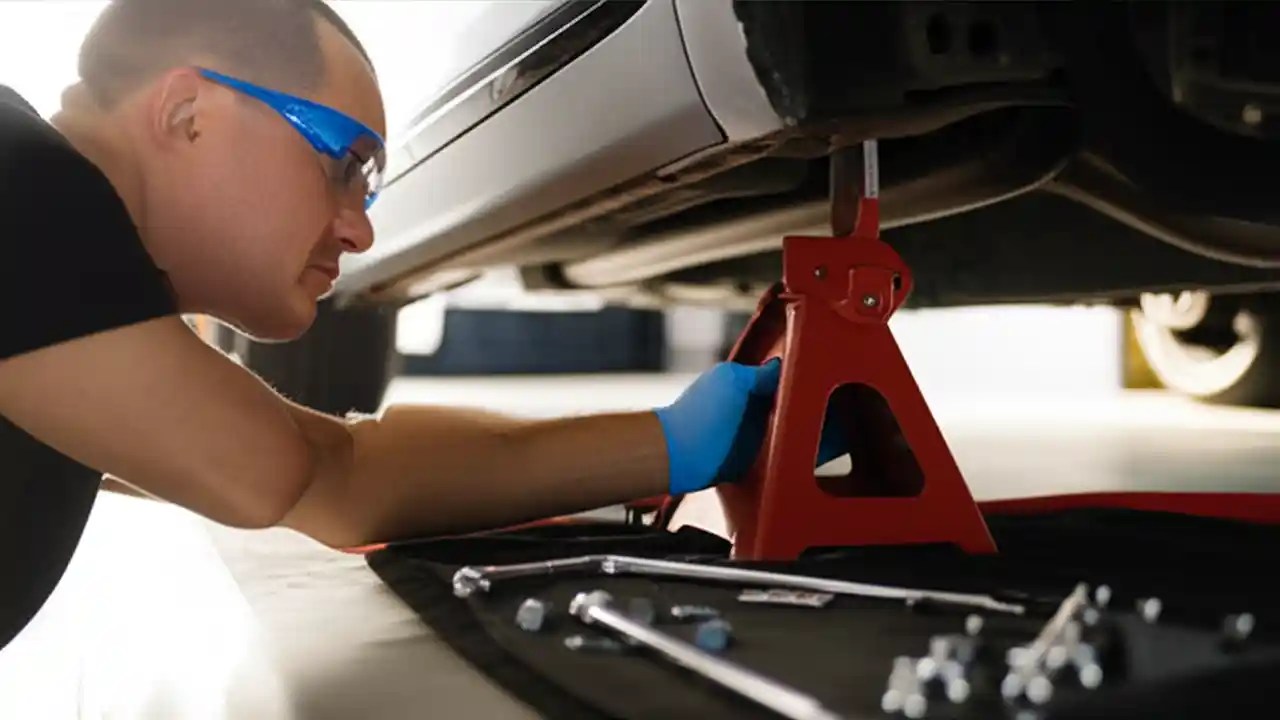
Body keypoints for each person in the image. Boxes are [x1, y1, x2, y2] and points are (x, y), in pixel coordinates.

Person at [0, 0, 821, 652]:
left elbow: (342, 478)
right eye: (346, 162)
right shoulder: (22, 183)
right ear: (188, 114)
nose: (360, 230)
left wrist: (676, 441)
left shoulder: (52, 276)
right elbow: (294, 472)